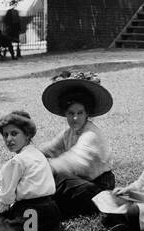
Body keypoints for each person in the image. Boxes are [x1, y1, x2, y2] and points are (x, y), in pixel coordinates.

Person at [37, 70, 115, 218]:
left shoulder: (91, 134)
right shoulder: (68, 133)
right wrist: (27, 157)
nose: (74, 118)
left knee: (60, 180)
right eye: (70, 113)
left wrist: (42, 167)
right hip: (78, 182)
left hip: (98, 186)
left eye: (80, 113)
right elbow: (50, 148)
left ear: (87, 114)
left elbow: (73, 161)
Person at [0, 111, 64, 231]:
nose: (9, 139)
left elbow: (6, 195)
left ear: (27, 135)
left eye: (14, 133)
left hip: (29, 212)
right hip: (49, 211)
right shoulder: (37, 154)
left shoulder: (17, 161)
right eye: (5, 135)